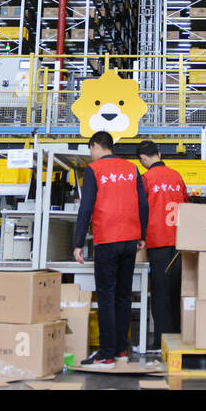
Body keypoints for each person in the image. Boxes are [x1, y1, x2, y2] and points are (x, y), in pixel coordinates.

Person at [73, 130, 148, 368]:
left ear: (96, 145)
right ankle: (121, 350)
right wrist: (142, 235)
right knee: (123, 296)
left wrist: (78, 242)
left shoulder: (94, 170)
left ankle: (106, 354)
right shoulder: (132, 169)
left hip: (106, 240)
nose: (91, 155)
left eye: (90, 150)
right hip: (129, 240)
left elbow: (86, 208)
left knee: (106, 295)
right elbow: (142, 203)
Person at [136, 140, 189, 350]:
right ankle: (176, 338)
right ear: (159, 154)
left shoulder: (146, 178)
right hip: (179, 242)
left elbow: (140, 208)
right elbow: (186, 203)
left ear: (143, 159)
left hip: (157, 241)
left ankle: (160, 341)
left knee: (159, 293)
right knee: (176, 291)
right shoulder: (176, 176)